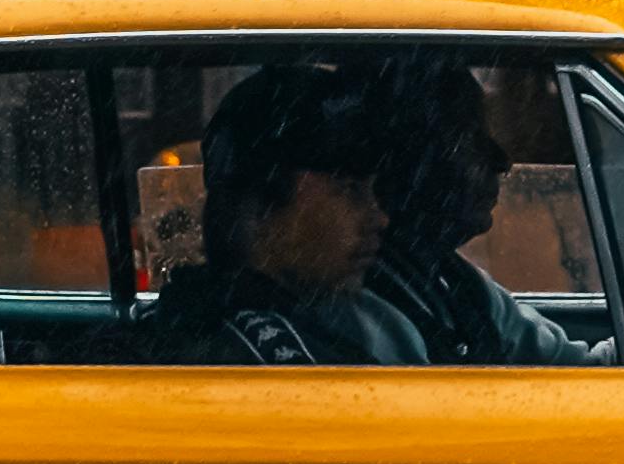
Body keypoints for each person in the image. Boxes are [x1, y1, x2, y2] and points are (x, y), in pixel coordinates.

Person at [153, 60, 578, 364]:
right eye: (350, 191)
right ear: (262, 206)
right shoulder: (243, 356)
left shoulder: (414, 287)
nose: (380, 217)